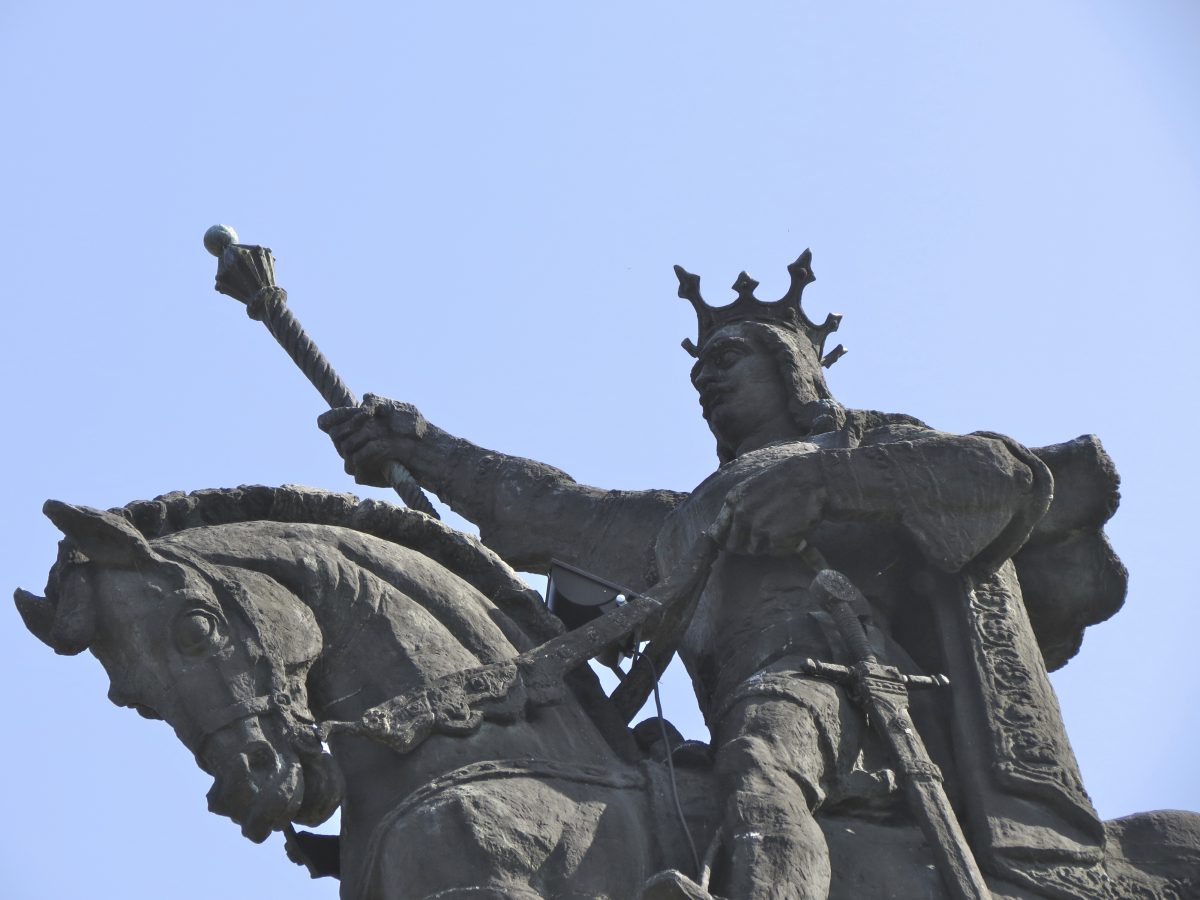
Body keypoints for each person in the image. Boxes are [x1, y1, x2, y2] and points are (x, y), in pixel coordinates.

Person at [319, 251, 1124, 899]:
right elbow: (542, 507)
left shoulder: (856, 449)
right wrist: (420, 445)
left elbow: (1003, 475)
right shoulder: (685, 521)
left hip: (841, 684)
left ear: (793, 370)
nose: (705, 377)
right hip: (747, 693)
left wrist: (822, 487)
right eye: (697, 369)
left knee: (761, 767)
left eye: (728, 356)